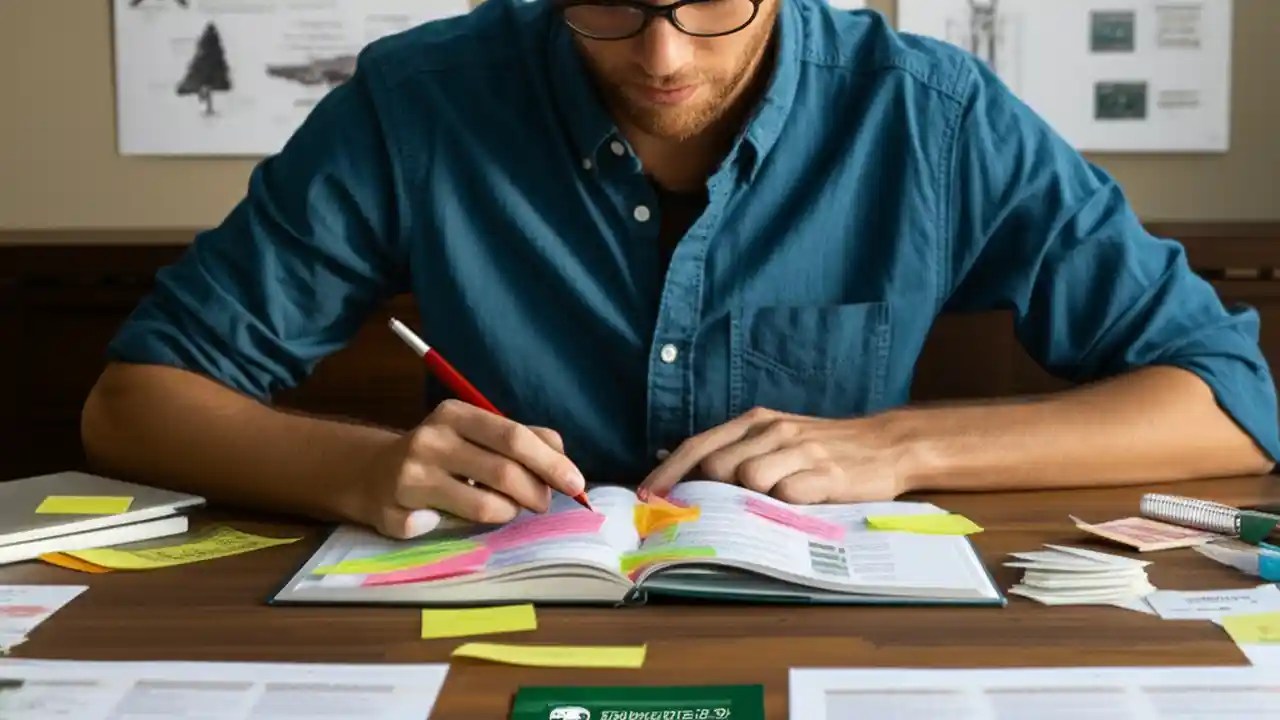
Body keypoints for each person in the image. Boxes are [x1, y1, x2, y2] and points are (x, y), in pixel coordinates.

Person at [82, 0, 1277, 540]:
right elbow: (132, 405)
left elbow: (1229, 402)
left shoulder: (931, 114)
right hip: (490, 637)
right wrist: (360, 468)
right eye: (609, 2)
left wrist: (899, 446)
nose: (660, 54)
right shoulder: (417, 103)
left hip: (826, 646)